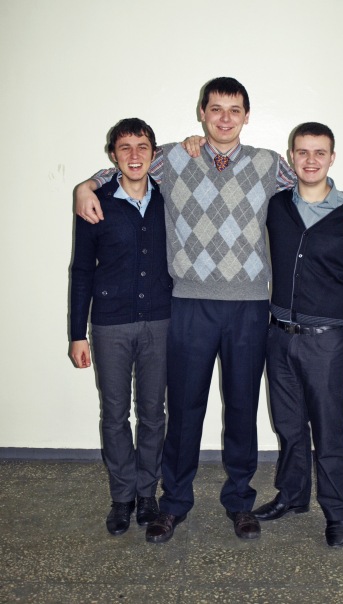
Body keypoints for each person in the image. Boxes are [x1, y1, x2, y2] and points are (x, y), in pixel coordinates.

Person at [75, 78, 343, 543]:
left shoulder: (268, 164)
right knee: (184, 410)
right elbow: (127, 166)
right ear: (202, 112)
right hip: (189, 305)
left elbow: (314, 186)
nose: (224, 118)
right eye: (215, 108)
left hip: (249, 309)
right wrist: (86, 185)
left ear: (246, 116)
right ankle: (174, 503)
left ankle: (239, 501)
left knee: (241, 410)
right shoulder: (174, 158)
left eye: (234, 110)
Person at [252, 122, 343, 548]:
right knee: (289, 426)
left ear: (332, 158)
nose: (311, 160)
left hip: (327, 342)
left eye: (319, 152)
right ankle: (292, 497)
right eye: (303, 152)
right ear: (291, 156)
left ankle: (337, 512)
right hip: (278, 337)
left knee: (328, 430)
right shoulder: (275, 204)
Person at [70, 118, 172, 536]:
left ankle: (147, 493)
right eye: (125, 147)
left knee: (153, 414)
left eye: (142, 146)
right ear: (113, 155)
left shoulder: (169, 197)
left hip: (160, 322)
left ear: (153, 154)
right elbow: (82, 270)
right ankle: (122, 497)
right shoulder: (95, 203)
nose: (134, 155)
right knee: (114, 415)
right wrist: (77, 333)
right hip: (110, 324)